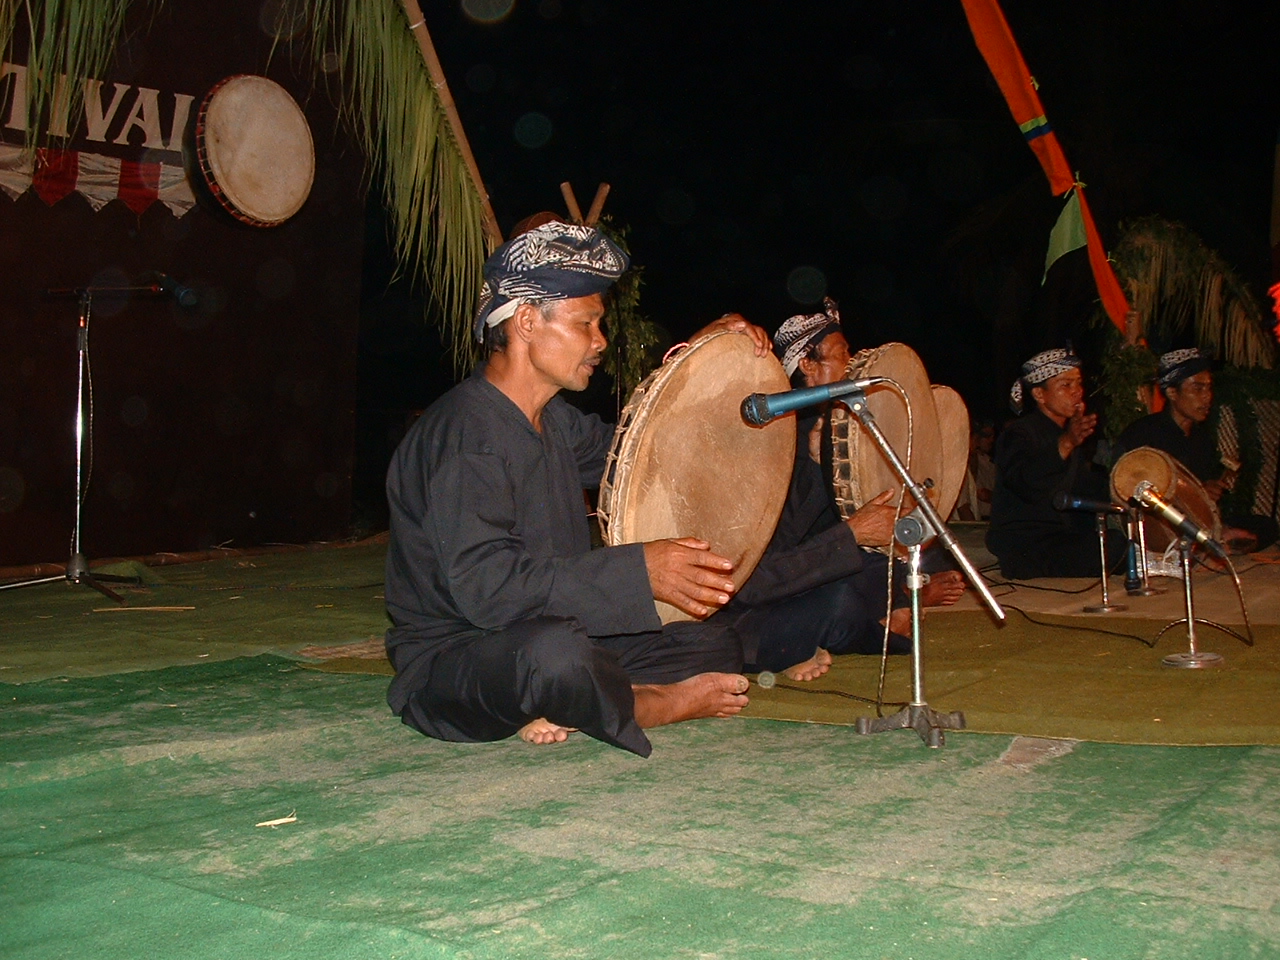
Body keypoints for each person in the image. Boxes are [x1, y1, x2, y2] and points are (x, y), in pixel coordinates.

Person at [384, 221, 771, 757]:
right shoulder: (466, 436)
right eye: (586, 323)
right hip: (460, 654)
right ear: (525, 321)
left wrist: (701, 362)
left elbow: (646, 454)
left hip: (550, 631)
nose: (600, 342)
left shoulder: (557, 422)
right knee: (554, 657)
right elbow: (490, 589)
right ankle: (656, 704)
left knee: (711, 642)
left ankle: (589, 696)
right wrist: (642, 571)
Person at [720, 299, 965, 683]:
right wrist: (817, 472)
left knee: (887, 566)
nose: (851, 363)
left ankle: (900, 595)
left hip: (820, 570)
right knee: (839, 604)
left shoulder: (843, 431)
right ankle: (872, 620)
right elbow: (770, 563)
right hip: (772, 587)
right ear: (808, 367)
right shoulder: (775, 438)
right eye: (840, 354)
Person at [1116, 348, 1277, 551]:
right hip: (1161, 524)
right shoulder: (1143, 434)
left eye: (1209, 388)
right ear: (1172, 392)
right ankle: (1212, 542)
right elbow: (1129, 494)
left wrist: (1209, 489)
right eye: (1198, 389)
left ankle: (1217, 539)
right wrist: (1191, 496)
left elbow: (1205, 485)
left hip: (1200, 520)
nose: (1207, 397)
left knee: (1267, 525)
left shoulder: (1201, 438)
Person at [986, 347, 1127, 579]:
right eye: (1066, 385)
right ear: (1040, 395)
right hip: (1026, 543)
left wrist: (1124, 490)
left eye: (1078, 384)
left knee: (1116, 539)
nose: (1077, 392)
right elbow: (1025, 481)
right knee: (1110, 547)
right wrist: (1067, 443)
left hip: (1060, 537)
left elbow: (1083, 488)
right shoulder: (1019, 434)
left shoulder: (1065, 435)